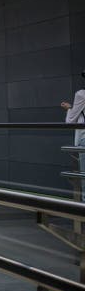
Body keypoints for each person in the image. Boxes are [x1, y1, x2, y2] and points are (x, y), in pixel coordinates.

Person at [61, 70, 85, 200]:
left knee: (84, 175)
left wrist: (70, 108)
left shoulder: (81, 94)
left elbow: (70, 120)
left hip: (84, 138)